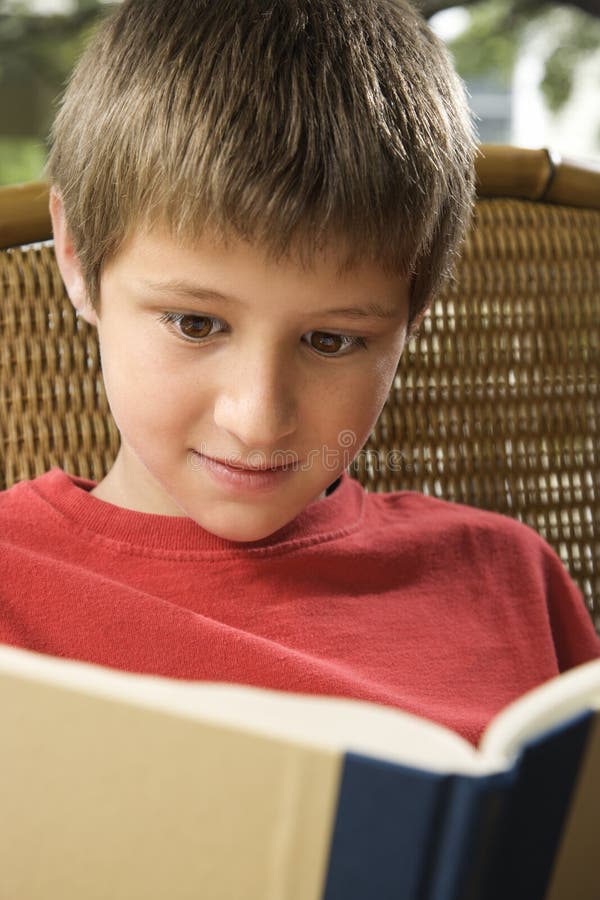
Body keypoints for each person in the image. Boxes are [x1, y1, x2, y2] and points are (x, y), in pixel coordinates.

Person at [1, 0, 598, 746]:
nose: (257, 420)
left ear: (414, 313)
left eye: (331, 340)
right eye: (195, 324)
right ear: (75, 260)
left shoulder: (506, 578)